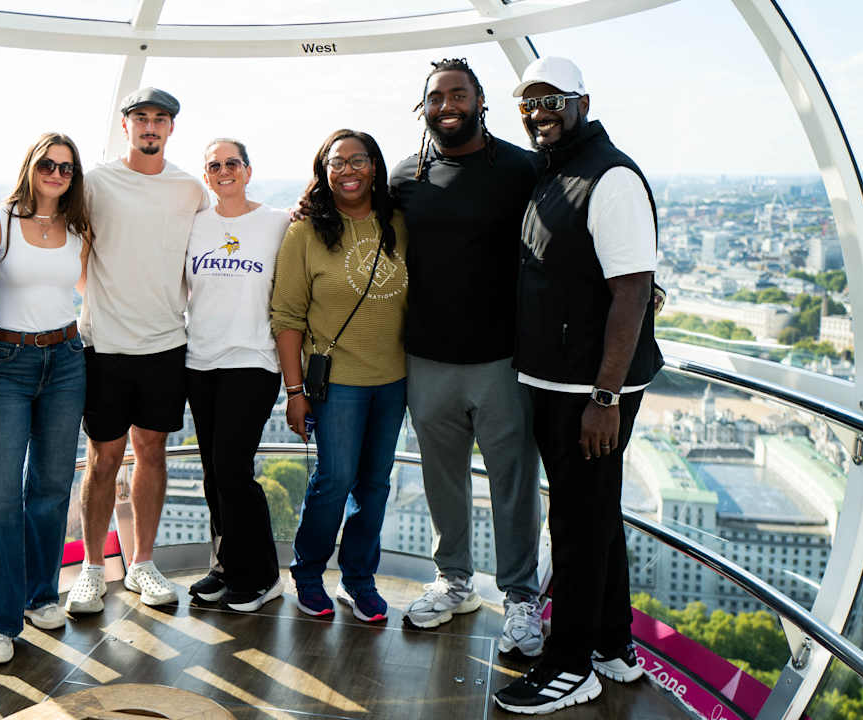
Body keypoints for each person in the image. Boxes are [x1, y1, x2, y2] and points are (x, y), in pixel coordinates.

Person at [492, 57, 662, 714]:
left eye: (551, 101)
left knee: (576, 520)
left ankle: (569, 667)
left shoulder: (610, 178)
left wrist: (604, 397)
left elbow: (632, 293)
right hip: (556, 378)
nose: (539, 113)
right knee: (594, 516)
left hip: (585, 391)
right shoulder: (557, 171)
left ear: (581, 102)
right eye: (529, 104)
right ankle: (612, 647)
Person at [390, 58, 544, 656]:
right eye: (435, 97)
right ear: (422, 108)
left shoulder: (521, 168)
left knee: (513, 482)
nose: (446, 105)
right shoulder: (405, 176)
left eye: (458, 95)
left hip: (504, 359)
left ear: (481, 101)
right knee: (442, 479)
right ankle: (454, 583)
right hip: (427, 358)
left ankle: (522, 599)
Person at [66, 87, 209, 613]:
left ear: (172, 129)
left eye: (160, 119)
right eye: (141, 118)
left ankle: (143, 564)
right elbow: (76, 256)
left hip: (166, 344)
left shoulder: (190, 189)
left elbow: (214, 246)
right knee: (102, 459)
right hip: (103, 344)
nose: (150, 126)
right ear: (125, 126)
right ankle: (91, 569)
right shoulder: (98, 183)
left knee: (153, 453)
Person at [271, 129, 409, 623]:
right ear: (323, 170)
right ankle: (308, 575)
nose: (347, 171)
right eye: (337, 162)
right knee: (334, 480)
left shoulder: (399, 221)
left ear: (375, 166)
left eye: (358, 160)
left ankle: (358, 579)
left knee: (375, 484)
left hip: (394, 380)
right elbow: (286, 317)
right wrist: (293, 392)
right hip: (339, 383)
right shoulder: (304, 232)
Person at [0, 133, 92, 664]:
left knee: (50, 486)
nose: (57, 174)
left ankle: (41, 594)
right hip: (7, 364)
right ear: (30, 166)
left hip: (66, 359)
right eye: (48, 164)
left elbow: (94, 290)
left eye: (66, 168)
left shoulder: (77, 228)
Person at [184, 138, 290, 612]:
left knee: (232, 469)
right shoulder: (194, 225)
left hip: (253, 358)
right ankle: (226, 564)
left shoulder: (277, 222)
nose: (223, 171)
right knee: (213, 475)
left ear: (248, 170)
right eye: (214, 165)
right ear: (205, 176)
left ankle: (262, 576)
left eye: (232, 163)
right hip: (200, 361)